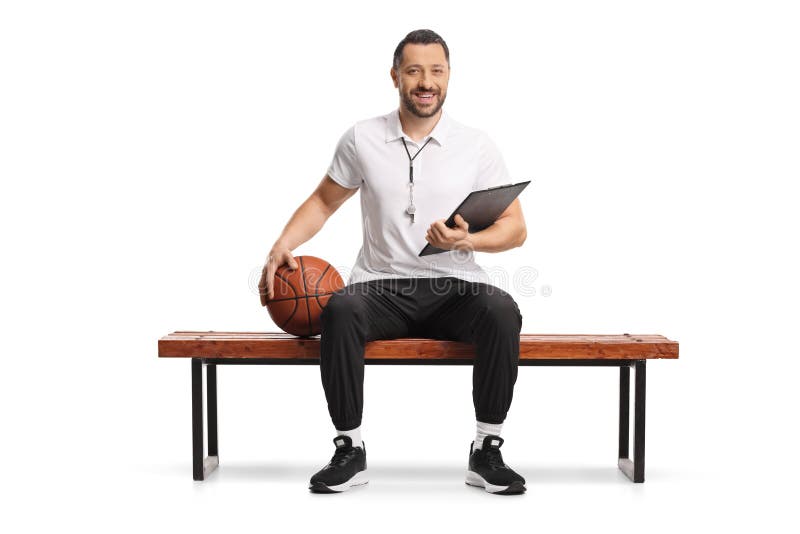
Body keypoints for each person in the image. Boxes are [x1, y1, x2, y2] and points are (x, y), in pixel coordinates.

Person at [258, 29, 527, 495]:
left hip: (453, 286)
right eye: (415, 70)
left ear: (449, 77)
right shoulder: (362, 137)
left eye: (436, 71)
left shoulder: (476, 145)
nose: (426, 81)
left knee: (501, 310)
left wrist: (470, 241)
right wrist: (283, 242)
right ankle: (350, 449)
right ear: (396, 76)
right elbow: (323, 202)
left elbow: (515, 229)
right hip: (381, 287)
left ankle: (486, 450)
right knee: (340, 310)